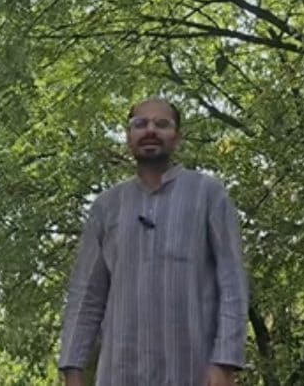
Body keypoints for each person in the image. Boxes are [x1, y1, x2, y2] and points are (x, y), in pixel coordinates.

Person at [57, 98, 248, 386]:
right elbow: (87, 294)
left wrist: (224, 362)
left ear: (177, 137)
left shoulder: (208, 195)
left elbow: (232, 282)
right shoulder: (106, 207)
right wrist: (73, 369)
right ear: (128, 136)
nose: (150, 130)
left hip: (193, 369)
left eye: (162, 124)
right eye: (140, 124)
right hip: (120, 371)